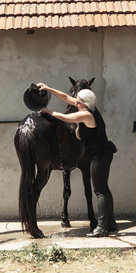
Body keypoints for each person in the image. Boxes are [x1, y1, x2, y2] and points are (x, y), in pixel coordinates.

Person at [35, 82, 118, 237]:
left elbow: (65, 117)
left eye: (78, 101)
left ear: (84, 103)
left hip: (99, 155)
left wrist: (49, 111)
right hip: (103, 153)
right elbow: (67, 98)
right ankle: (111, 223)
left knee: (100, 190)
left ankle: (102, 227)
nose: (75, 102)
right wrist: (49, 88)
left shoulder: (87, 115)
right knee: (104, 188)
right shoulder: (89, 107)